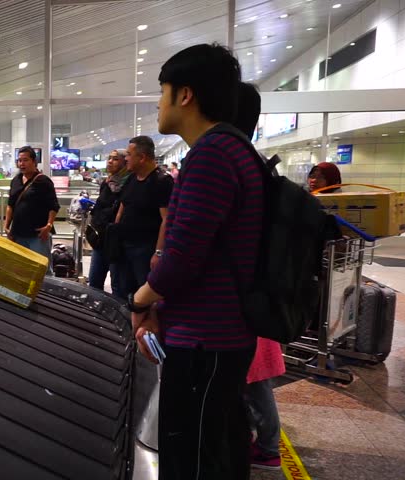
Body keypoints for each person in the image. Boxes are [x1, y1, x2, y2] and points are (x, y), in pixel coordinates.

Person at [129, 44, 263, 480]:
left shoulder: (212, 154)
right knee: (218, 447)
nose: (158, 103)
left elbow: (184, 257)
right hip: (219, 335)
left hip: (207, 341)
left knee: (194, 457)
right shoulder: (233, 149)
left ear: (185, 95)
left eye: (162, 90)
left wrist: (140, 300)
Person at [234, 81, 285, 471]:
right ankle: (261, 440)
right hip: (258, 296)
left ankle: (267, 446)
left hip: (248, 301)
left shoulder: (239, 166)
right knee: (253, 380)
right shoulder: (257, 168)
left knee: (256, 380)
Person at [115, 136, 173, 297]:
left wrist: (159, 252)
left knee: (143, 294)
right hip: (125, 246)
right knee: (123, 290)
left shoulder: (162, 181)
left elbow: (167, 219)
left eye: (129, 154)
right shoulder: (132, 178)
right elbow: (123, 207)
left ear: (141, 157)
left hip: (145, 249)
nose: (126, 158)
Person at [5, 145, 60, 264]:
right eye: (19, 160)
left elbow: (54, 206)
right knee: (21, 267)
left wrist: (49, 225)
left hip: (38, 235)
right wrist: (7, 226)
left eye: (25, 160)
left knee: (42, 268)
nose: (21, 164)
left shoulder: (43, 181)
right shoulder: (16, 180)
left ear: (34, 162)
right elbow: (10, 205)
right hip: (18, 233)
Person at [87, 150, 129, 296]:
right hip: (101, 239)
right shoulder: (107, 183)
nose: (110, 161)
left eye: (115, 159)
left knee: (118, 284)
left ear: (125, 162)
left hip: (116, 241)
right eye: (109, 158)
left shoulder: (129, 184)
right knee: (94, 282)